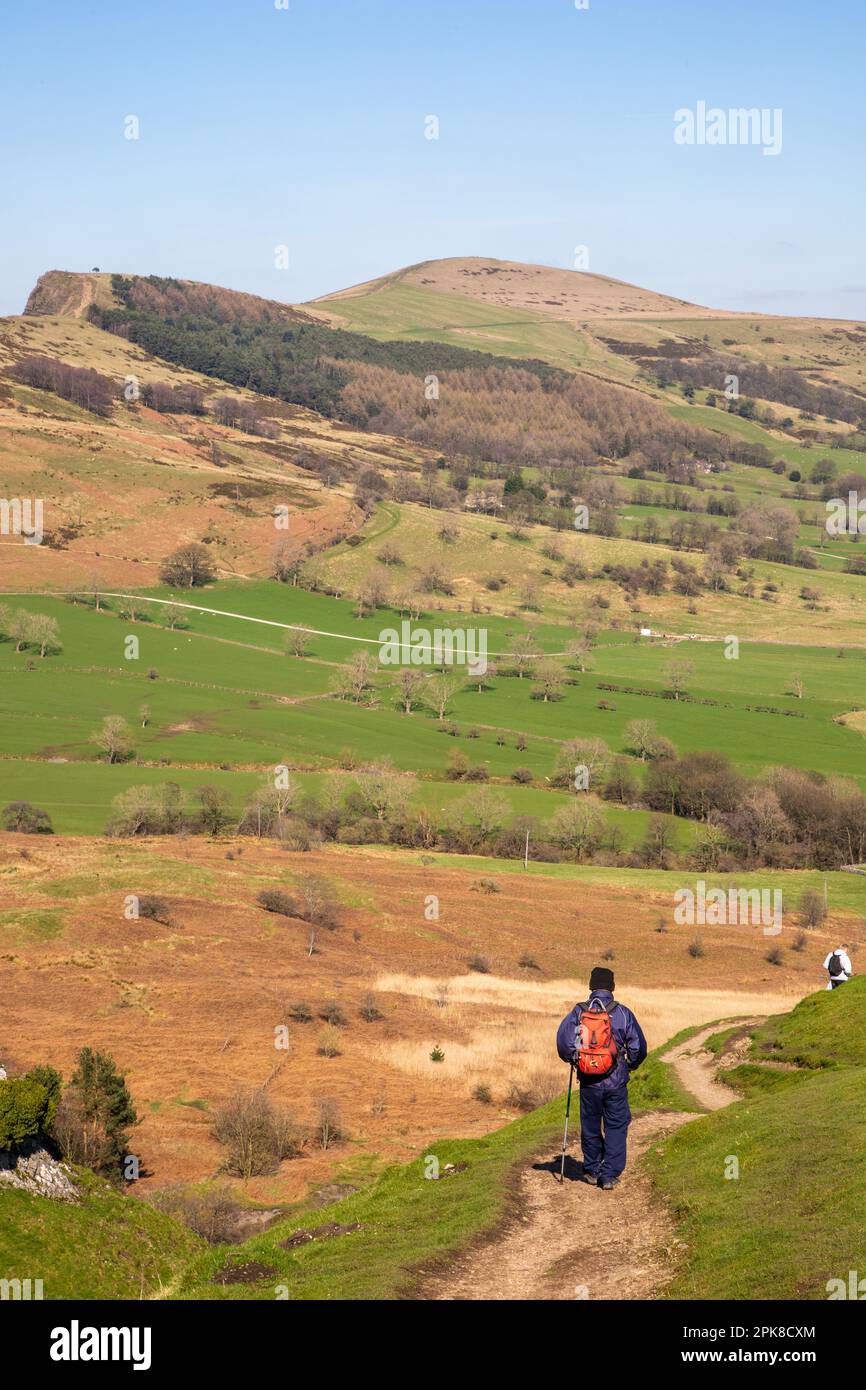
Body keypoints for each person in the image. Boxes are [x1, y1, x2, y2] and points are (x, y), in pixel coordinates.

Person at [556, 967, 647, 1191]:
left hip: (588, 1081)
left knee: (590, 1124)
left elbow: (563, 1042)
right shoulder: (623, 1013)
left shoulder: (579, 1011)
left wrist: (575, 1060)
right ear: (612, 987)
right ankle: (608, 1176)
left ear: (590, 986)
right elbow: (639, 1047)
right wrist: (629, 1065)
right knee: (616, 1125)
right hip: (615, 1081)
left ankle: (591, 1169)